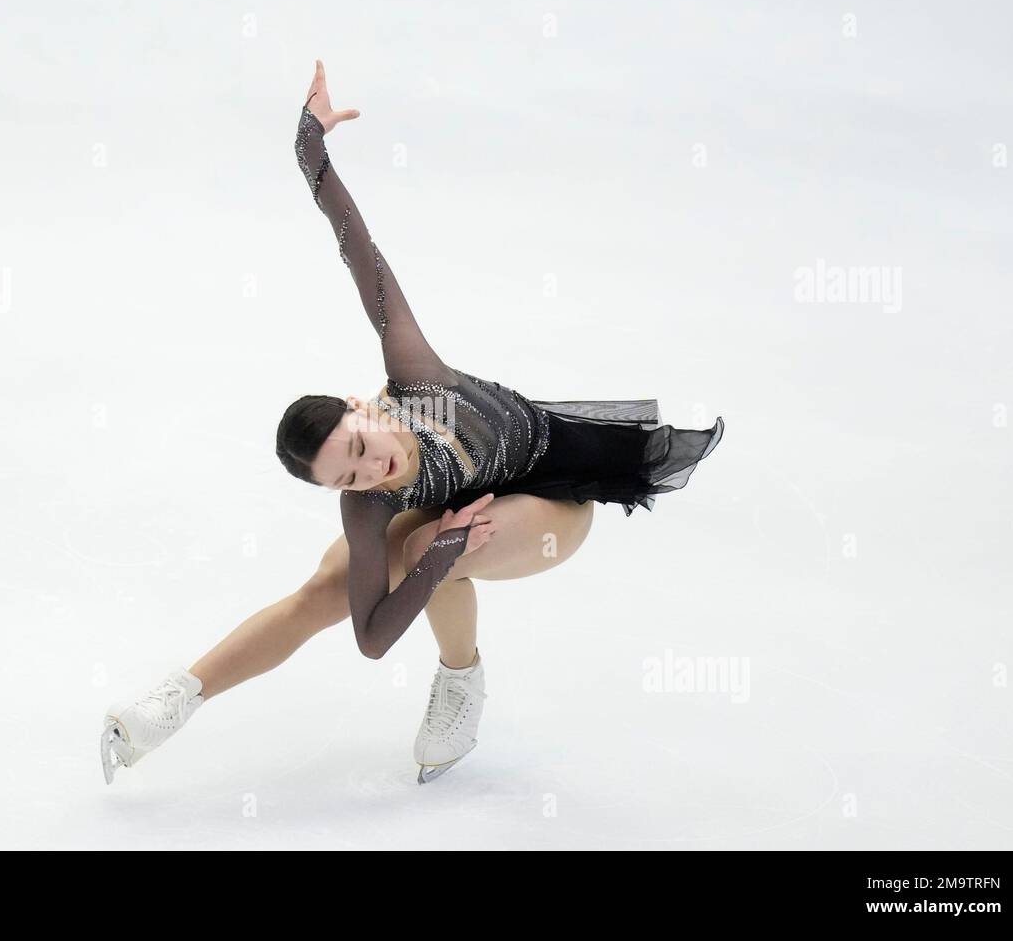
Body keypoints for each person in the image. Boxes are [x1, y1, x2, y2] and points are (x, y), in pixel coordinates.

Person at [101, 61, 724, 785]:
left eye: (361, 448)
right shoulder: (365, 506)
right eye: (348, 476)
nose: (374, 471)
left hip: (555, 493)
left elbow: (353, 242)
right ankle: (172, 703)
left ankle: (461, 680)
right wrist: (438, 550)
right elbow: (369, 638)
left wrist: (311, 148)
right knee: (328, 587)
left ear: (364, 406)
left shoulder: (416, 376)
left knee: (431, 544)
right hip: (457, 518)